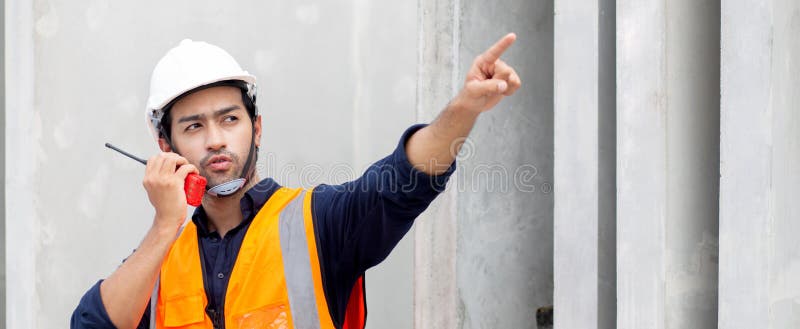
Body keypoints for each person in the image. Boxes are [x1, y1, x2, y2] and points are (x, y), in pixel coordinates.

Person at [71, 33, 520, 329]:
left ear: (257, 127)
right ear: (165, 146)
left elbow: (403, 181)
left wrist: (464, 109)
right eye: (193, 127)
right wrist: (165, 226)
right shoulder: (158, 257)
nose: (215, 141)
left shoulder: (320, 223)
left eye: (229, 119)